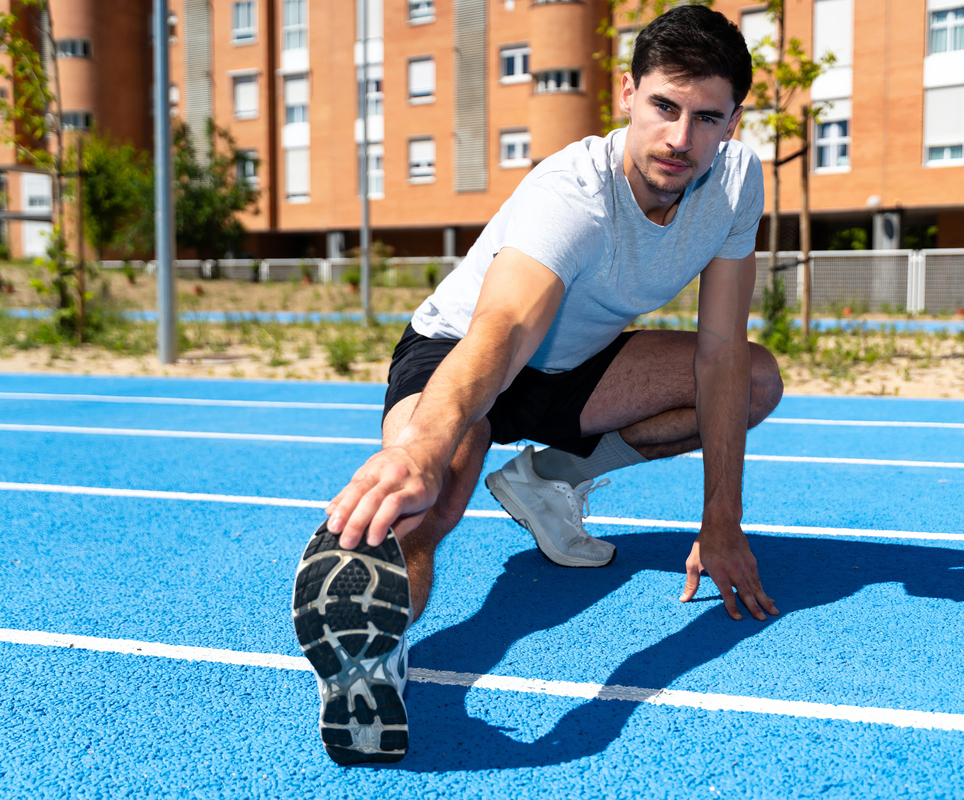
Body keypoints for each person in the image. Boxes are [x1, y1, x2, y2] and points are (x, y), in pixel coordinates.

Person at [290, 4, 784, 766]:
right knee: (438, 494)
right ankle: (376, 653)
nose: (681, 139)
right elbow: (504, 328)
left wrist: (722, 520)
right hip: (460, 350)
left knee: (753, 378)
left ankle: (547, 481)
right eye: (663, 107)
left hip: (574, 370)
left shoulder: (736, 182)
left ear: (732, 121)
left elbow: (718, 353)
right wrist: (423, 446)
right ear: (627, 94)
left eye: (706, 118)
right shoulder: (573, 191)